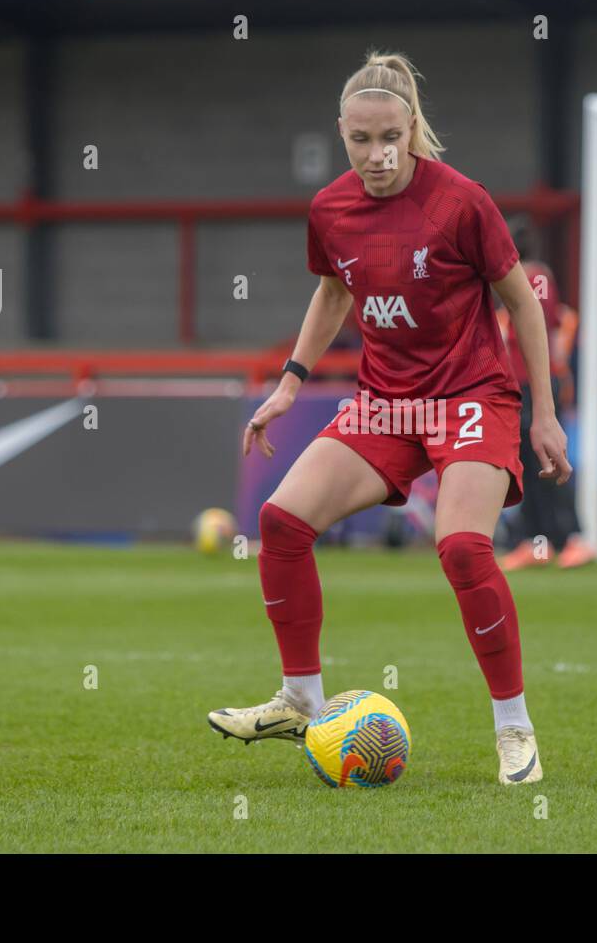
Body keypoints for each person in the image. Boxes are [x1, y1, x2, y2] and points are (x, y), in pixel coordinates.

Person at [206, 51, 572, 786]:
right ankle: (300, 700)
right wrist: (289, 383)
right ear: (341, 132)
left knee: (463, 551)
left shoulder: (461, 203)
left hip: (472, 398)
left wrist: (546, 414)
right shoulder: (331, 210)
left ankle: (514, 731)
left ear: (413, 130)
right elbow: (333, 293)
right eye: (360, 140)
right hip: (385, 403)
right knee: (281, 522)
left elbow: (522, 302)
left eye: (390, 138)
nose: (376, 155)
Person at [496, 219, 596, 570]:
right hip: (516, 386)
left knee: (550, 459)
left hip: (537, 385)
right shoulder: (514, 279)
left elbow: (542, 326)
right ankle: (536, 543)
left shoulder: (535, 277)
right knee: (528, 465)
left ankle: (575, 538)